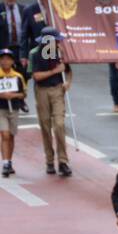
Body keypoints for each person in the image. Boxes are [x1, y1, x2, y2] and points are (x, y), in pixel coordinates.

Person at [31, 26, 72, 177]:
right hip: (42, 91)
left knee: (59, 125)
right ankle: (49, 160)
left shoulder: (61, 53)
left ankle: (63, 161)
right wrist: (55, 71)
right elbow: (36, 76)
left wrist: (68, 82)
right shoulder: (35, 54)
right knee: (45, 125)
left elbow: (68, 71)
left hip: (57, 90)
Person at [0, 46, 26, 177]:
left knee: (11, 135)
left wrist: (13, 96)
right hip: (1, 109)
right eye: (2, 59)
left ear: (12, 61)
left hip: (13, 109)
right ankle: (4, 163)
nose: (5, 62)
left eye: (8, 59)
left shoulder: (17, 77)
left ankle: (9, 161)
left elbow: (23, 94)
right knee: (4, 134)